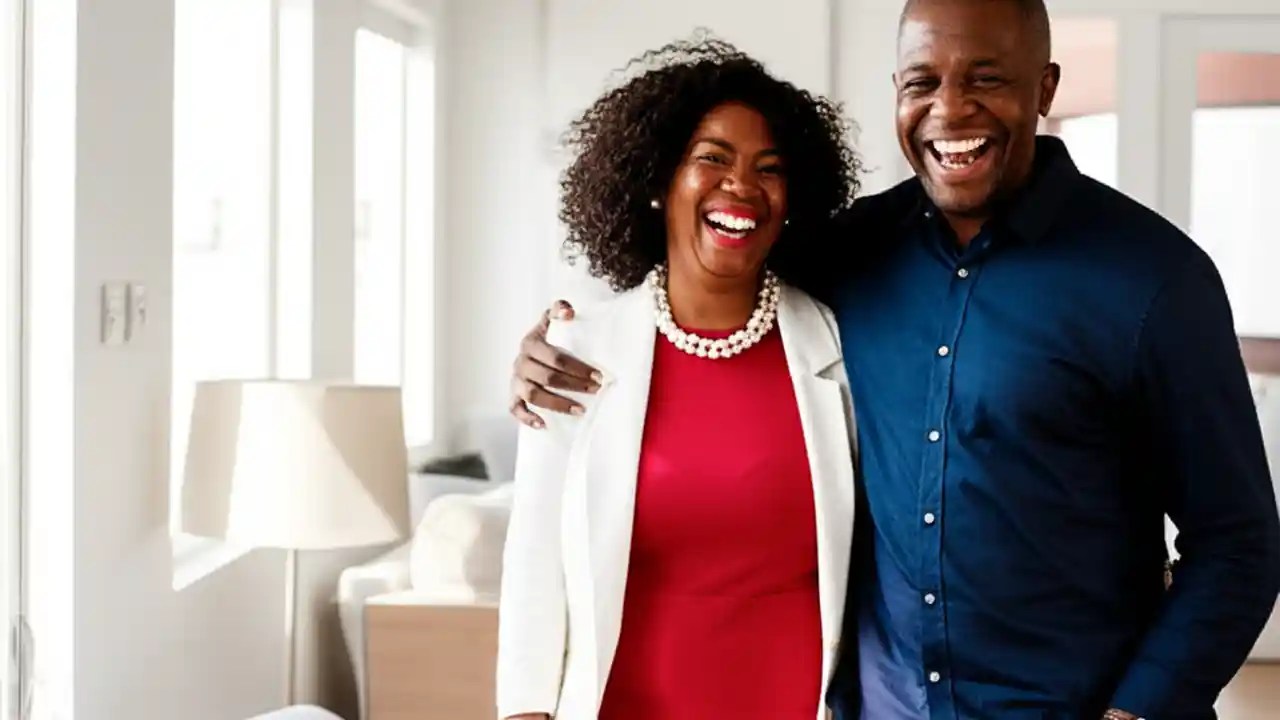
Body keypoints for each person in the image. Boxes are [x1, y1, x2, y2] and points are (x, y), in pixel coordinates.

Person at [508, 1, 1280, 718]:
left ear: (1044, 88)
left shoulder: (1154, 280)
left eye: (986, 79)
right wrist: (553, 344)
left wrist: (1135, 712)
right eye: (923, 82)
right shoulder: (847, 254)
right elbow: (709, 277)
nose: (950, 110)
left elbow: (1239, 543)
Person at [495, 38, 864, 720]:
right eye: (712, 160)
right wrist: (523, 710)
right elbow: (535, 562)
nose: (742, 187)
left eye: (770, 168)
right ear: (657, 183)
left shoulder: (840, 346)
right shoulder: (576, 350)